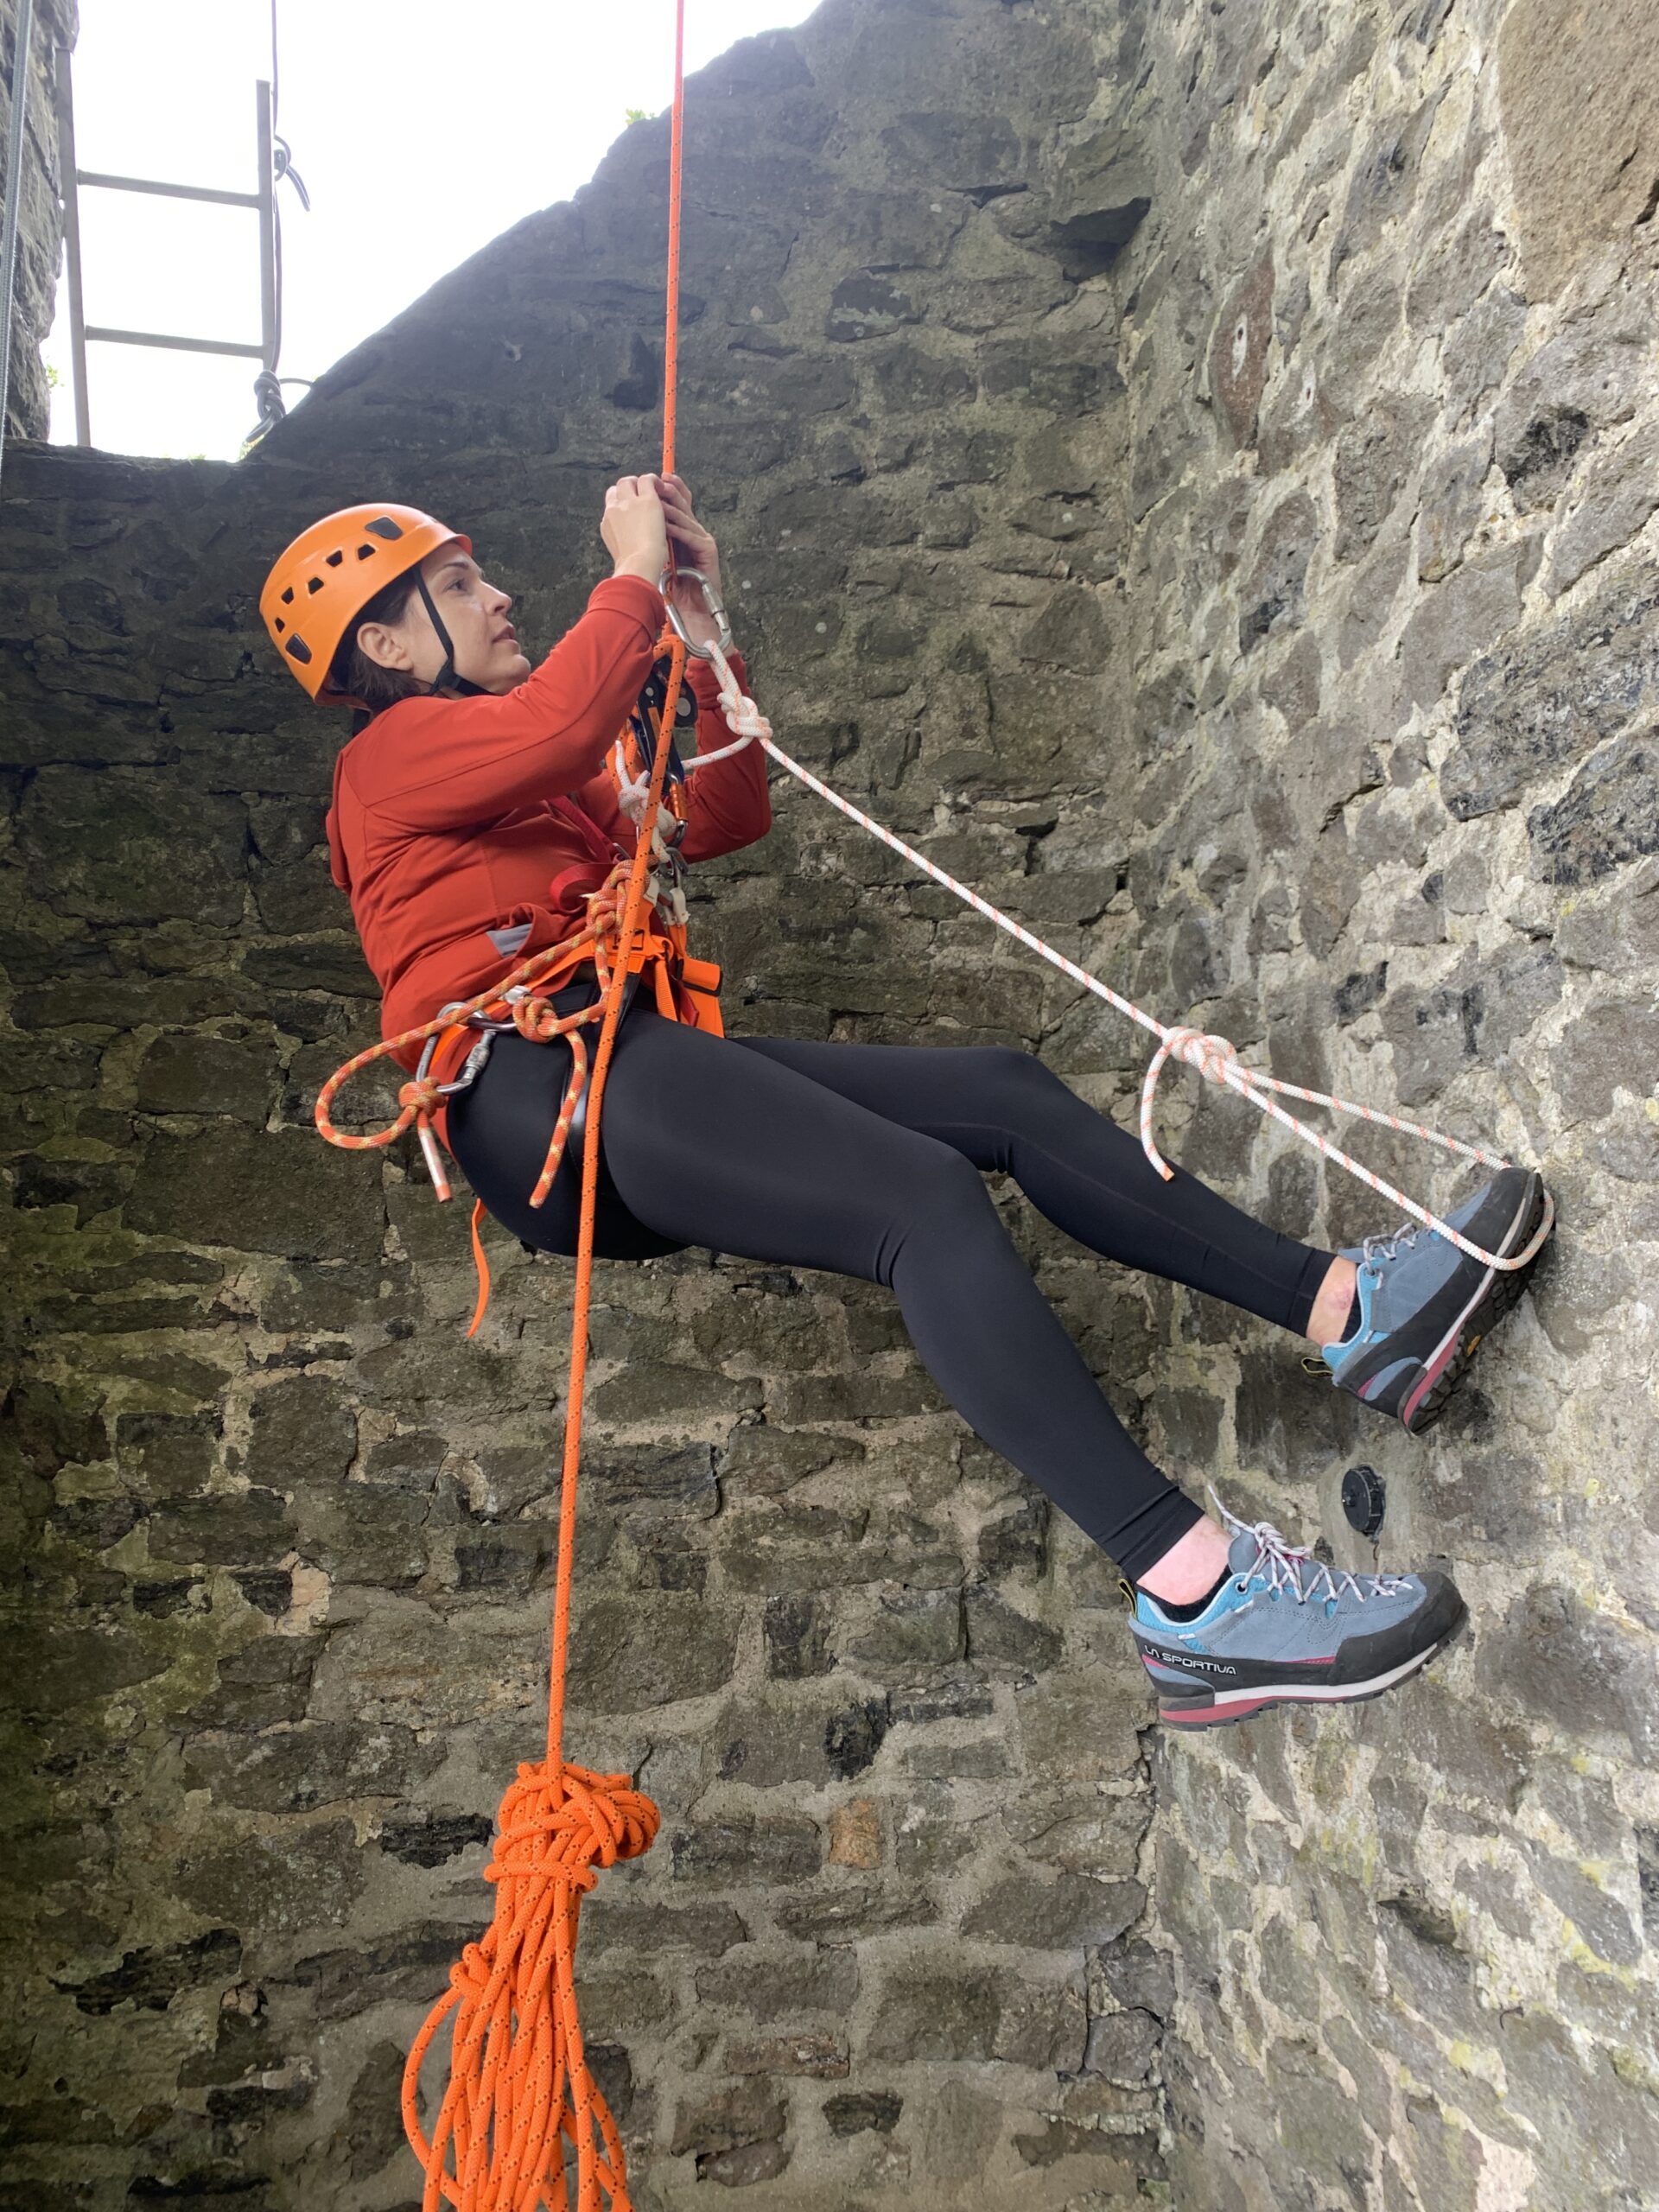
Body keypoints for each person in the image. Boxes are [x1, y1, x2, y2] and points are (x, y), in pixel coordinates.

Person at [261, 476, 1548, 1731]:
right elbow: (556, 716)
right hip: (538, 1093)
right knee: (921, 1204)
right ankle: (1198, 1595)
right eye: (457, 586)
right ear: (384, 642)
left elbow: (721, 809)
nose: (495, 599)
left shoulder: (535, 779)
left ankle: (1354, 1314)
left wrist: (698, 626)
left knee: (997, 1095)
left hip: (609, 1066)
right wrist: (632, 574)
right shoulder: (393, 757)